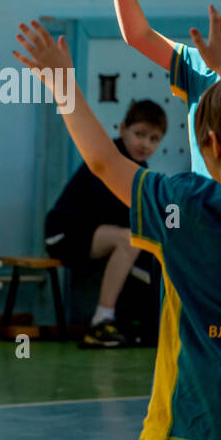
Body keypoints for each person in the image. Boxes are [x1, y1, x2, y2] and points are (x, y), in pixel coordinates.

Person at [15, 20, 221, 440]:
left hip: (203, 435)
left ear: (207, 143)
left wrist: (59, 79)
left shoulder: (184, 206)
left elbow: (105, 161)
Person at [89, 0, 221, 440]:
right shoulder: (200, 69)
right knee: (188, 353)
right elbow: (138, 33)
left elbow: (100, 159)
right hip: (196, 232)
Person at [44, 99, 165, 347]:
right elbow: (118, 214)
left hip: (95, 234)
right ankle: (101, 321)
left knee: (149, 247)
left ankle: (146, 321)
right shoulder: (112, 159)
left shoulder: (140, 168)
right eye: (139, 134)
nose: (145, 144)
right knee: (130, 240)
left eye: (153, 139)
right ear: (122, 130)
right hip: (62, 235)